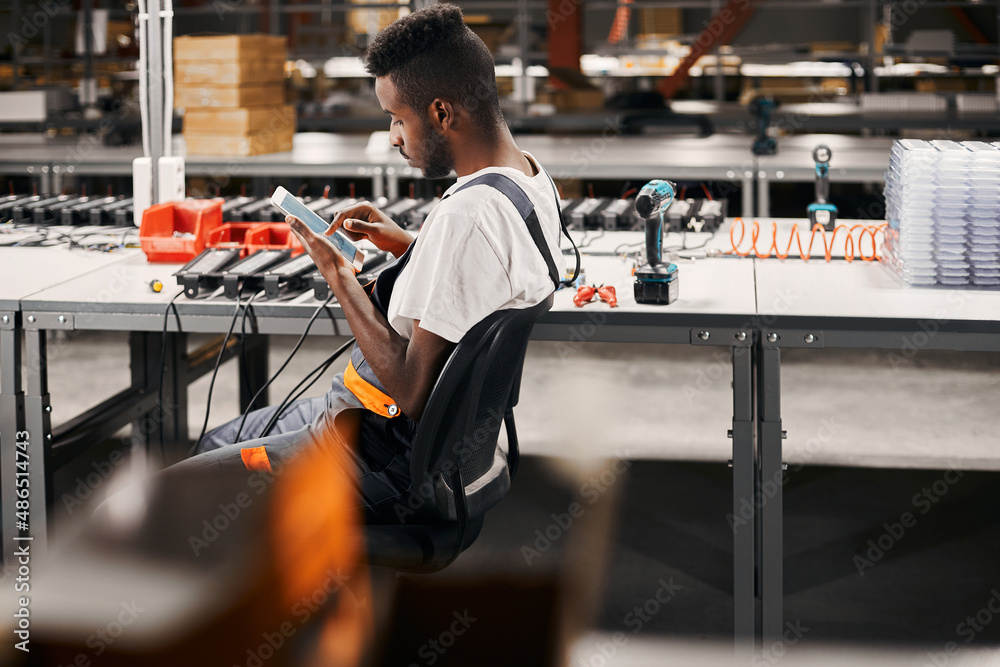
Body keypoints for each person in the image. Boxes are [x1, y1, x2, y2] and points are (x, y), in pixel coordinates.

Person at [174, 3, 567, 523]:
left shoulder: (467, 214)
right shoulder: (530, 181)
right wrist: (408, 245)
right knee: (232, 437)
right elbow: (482, 284)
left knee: (194, 471)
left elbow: (410, 392)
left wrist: (336, 273)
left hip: (377, 458)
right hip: (419, 442)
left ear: (442, 113)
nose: (393, 137)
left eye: (397, 118)